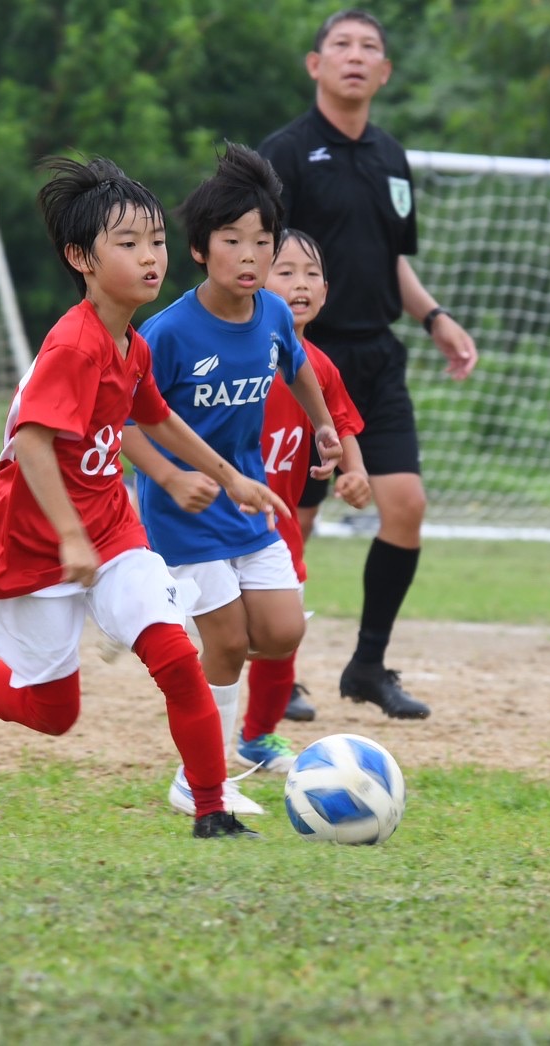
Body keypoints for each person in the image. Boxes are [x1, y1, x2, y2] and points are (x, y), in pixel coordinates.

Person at [0, 154, 291, 840]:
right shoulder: (74, 346)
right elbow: (32, 444)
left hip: (112, 535)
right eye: (129, 244)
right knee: (51, 714)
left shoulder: (129, 344)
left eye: (158, 242)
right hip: (33, 551)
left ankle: (210, 809)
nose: (151, 258)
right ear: (81, 258)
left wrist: (230, 478)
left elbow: (159, 419)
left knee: (174, 655)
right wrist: (69, 537)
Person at [257, 8, 479, 721]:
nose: (356, 56)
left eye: (370, 48)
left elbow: (392, 261)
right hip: (301, 361)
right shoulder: (285, 154)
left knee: (405, 505)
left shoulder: (391, 157)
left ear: (384, 73)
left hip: (378, 356)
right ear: (314, 64)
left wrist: (436, 318)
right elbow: (251, 255)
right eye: (341, 45)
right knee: (295, 521)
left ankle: (368, 665)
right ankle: (277, 675)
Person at [121, 144, 343, 808]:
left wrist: (323, 423)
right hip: (182, 512)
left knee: (280, 632)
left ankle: (162, 632)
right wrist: (167, 476)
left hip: (247, 502)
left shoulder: (273, 314)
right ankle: (199, 780)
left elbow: (296, 362)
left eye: (263, 241)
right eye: (232, 240)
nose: (251, 255)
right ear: (198, 249)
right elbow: (128, 424)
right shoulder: (168, 334)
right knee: (227, 641)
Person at [239, 229, 369, 755]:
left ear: (326, 289)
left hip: (279, 526)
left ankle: (257, 738)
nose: (301, 284)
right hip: (215, 515)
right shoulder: (234, 353)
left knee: (284, 637)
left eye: (311, 273)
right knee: (212, 629)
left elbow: (341, 425)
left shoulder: (318, 366)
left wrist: (352, 472)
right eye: (286, 271)